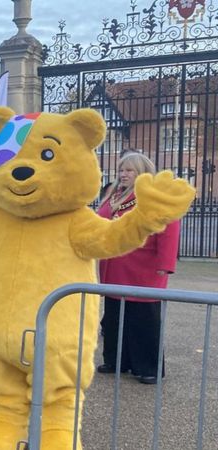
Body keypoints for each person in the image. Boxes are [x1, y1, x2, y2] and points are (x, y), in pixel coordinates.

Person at [96, 152, 181, 385]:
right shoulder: (114, 195)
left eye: (129, 170)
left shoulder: (155, 196)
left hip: (143, 268)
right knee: (114, 316)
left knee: (143, 319)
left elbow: (170, 227)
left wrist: (166, 263)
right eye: (121, 170)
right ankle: (117, 361)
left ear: (141, 172)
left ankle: (148, 367)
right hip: (114, 267)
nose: (123, 174)